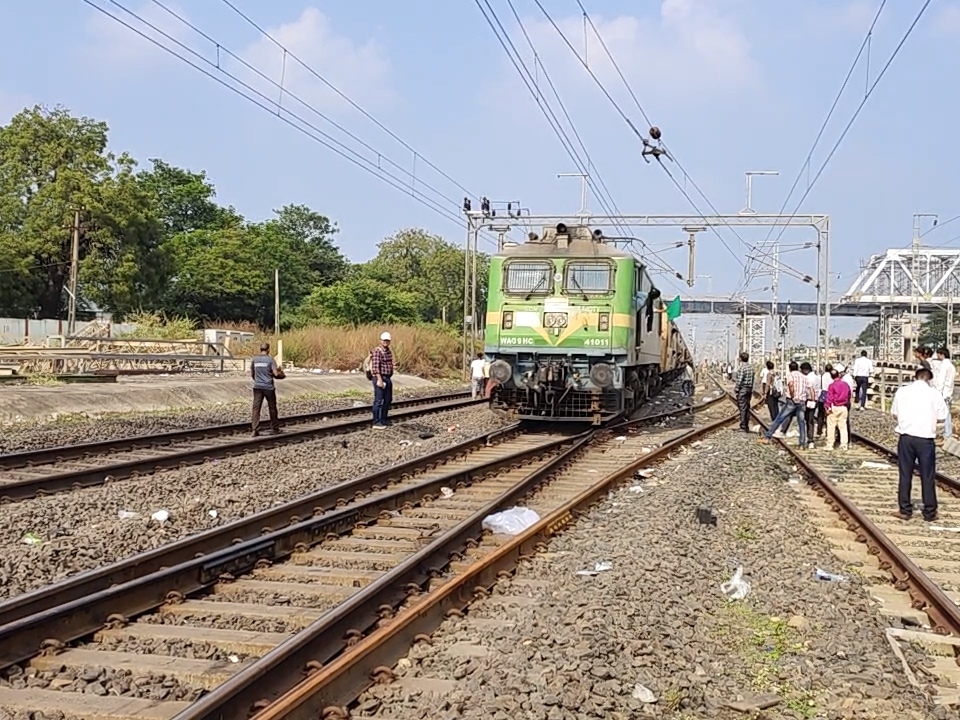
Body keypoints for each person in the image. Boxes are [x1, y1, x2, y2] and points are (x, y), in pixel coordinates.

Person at [891, 367, 947, 522]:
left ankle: (905, 509)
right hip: (926, 439)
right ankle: (929, 512)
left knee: (905, 474)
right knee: (927, 475)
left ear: (915, 377)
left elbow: (894, 414)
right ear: (929, 379)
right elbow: (942, 416)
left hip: (906, 438)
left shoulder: (902, 391)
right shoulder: (935, 394)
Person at [759, 360, 807, 449]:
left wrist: (793, 396)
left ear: (790, 368)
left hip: (792, 401)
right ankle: (802, 444)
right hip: (801, 402)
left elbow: (791, 385)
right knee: (801, 422)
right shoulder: (803, 377)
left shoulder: (790, 375)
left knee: (779, 418)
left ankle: (767, 437)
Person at [250, 342, 284, 437]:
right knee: (272, 407)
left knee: (256, 408)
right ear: (268, 350)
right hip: (268, 387)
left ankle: (254, 429)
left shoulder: (255, 360)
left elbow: (252, 373)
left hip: (257, 387)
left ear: (260, 349)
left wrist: (257, 380)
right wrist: (281, 374)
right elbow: (276, 374)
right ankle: (275, 428)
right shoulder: (270, 359)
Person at [823, 367, 851, 451]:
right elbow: (849, 395)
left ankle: (830, 444)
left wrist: (827, 407)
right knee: (843, 427)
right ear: (838, 375)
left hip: (834, 407)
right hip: (843, 407)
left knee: (831, 426)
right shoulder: (845, 384)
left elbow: (829, 397)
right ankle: (844, 445)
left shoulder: (832, 386)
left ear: (831, 377)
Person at [371, 331, 394, 429]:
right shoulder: (377, 351)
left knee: (388, 399)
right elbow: (375, 367)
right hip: (380, 377)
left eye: (387, 340)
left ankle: (383, 419)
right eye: (384, 340)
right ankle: (377, 422)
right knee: (379, 401)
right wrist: (379, 380)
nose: (385, 342)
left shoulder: (388, 351)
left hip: (387, 377)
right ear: (380, 340)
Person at [935, 347, 956, 441]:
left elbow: (941, 380)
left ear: (942, 354)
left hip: (943, 393)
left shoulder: (944, 365)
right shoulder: (951, 366)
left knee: (945, 413)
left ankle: (947, 433)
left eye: (938, 354)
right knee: (947, 412)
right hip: (949, 392)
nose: (937, 356)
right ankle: (947, 433)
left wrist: (938, 392)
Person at [733, 351, 754, 432]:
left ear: (741, 359)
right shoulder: (751, 368)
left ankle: (743, 426)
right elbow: (753, 379)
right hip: (749, 389)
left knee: (742, 407)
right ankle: (746, 425)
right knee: (747, 407)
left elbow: (739, 380)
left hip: (743, 389)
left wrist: (736, 389)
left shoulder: (742, 368)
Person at [801, 361, 819, 449]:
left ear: (805, 370)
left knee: (808, 420)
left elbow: (810, 390)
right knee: (810, 419)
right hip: (815, 400)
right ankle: (810, 439)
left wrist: (811, 399)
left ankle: (809, 439)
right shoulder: (816, 377)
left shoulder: (808, 378)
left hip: (809, 400)